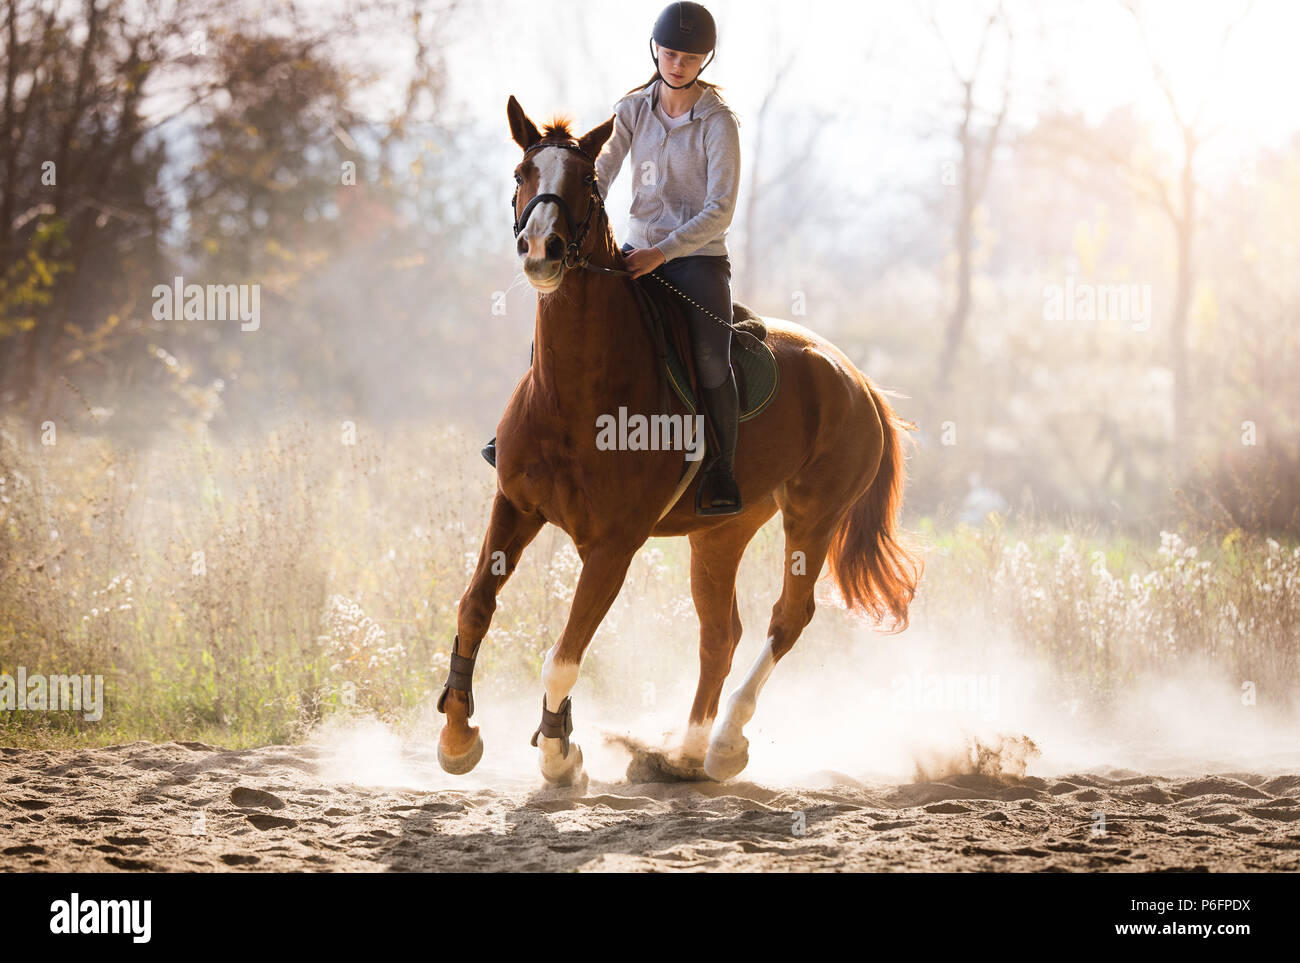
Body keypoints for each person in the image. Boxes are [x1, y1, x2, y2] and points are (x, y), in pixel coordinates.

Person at [485, 1, 743, 516]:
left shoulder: (719, 123)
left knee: (713, 354)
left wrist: (662, 252)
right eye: (669, 53)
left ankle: (721, 469)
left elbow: (721, 210)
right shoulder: (631, 110)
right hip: (632, 250)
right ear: (656, 51)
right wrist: (560, 206)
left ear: (705, 60)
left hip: (695, 258)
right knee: (563, 316)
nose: (677, 64)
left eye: (689, 57)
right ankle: (518, 434)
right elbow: (597, 176)